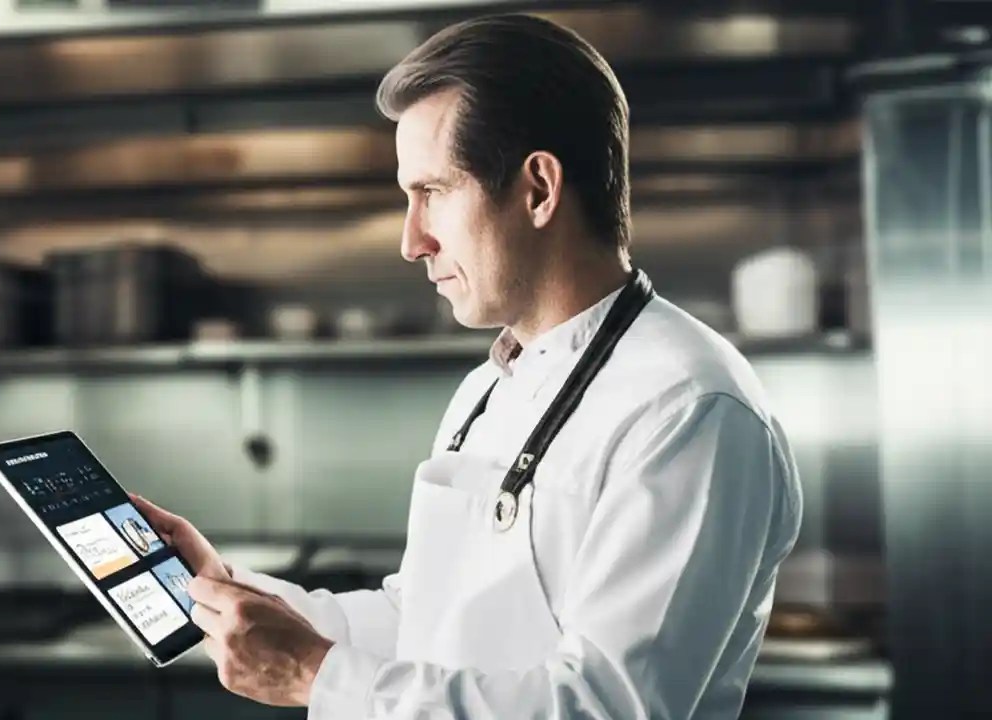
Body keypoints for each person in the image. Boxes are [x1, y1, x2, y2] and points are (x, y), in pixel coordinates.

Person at [131, 13, 803, 720]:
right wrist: (229, 592)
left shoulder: (688, 407)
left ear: (538, 189)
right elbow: (424, 620)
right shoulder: (488, 389)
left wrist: (316, 676)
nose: (411, 241)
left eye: (432, 192)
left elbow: (603, 706)